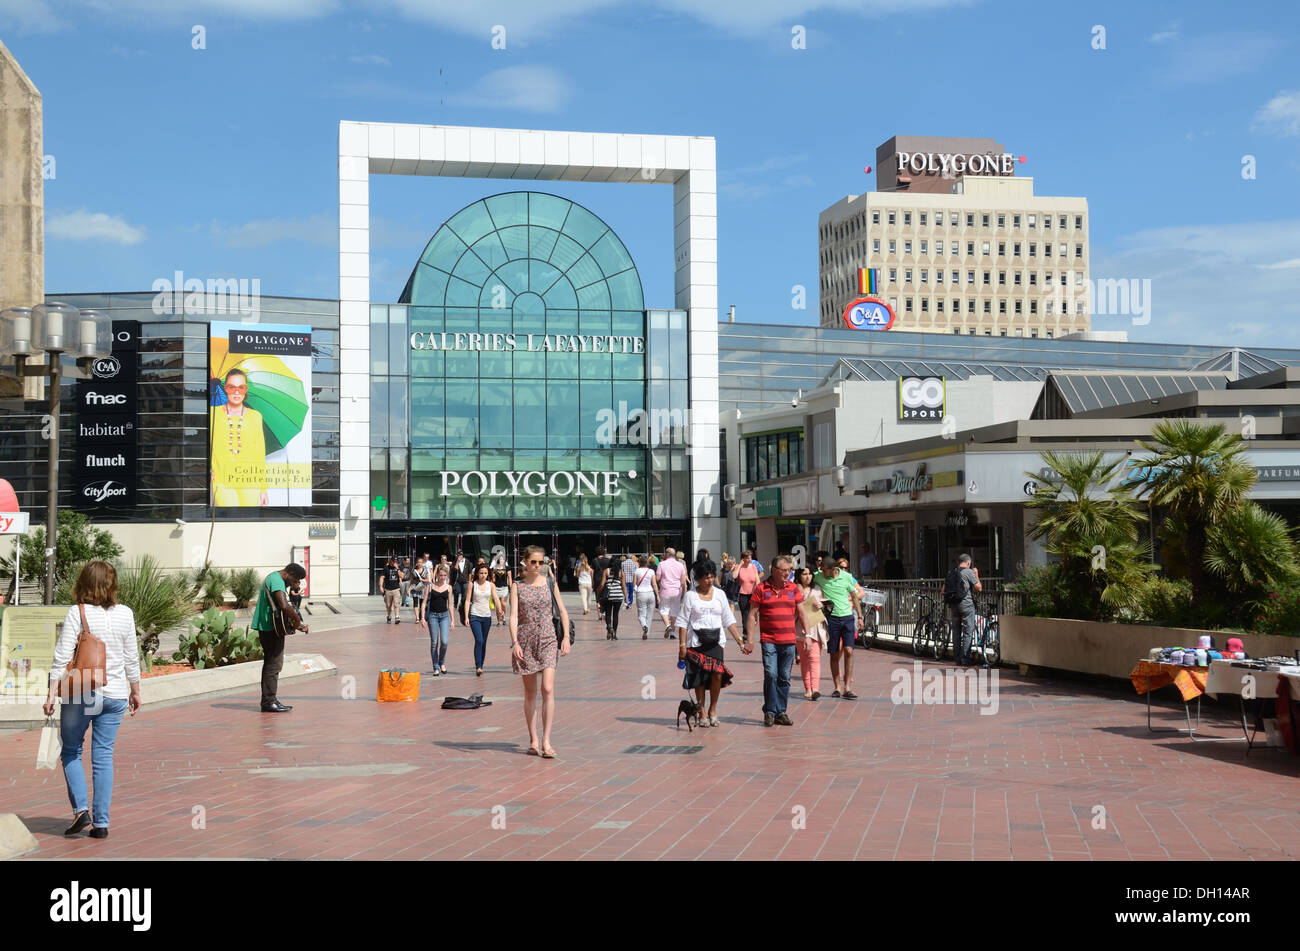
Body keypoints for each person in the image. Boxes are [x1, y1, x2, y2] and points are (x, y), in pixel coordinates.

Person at [43, 561, 141, 839]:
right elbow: (131, 656)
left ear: (83, 583)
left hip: (82, 693)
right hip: (115, 695)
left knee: (72, 750)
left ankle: (81, 810)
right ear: (112, 584)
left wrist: (51, 692)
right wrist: (135, 690)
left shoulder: (78, 612)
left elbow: (62, 655)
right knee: (103, 756)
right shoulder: (125, 613)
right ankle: (101, 823)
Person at [511, 545, 571, 758]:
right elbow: (513, 617)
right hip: (526, 639)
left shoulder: (549, 582)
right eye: (533, 562)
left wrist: (565, 637)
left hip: (547, 637)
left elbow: (562, 610)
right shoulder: (517, 586)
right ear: (525, 562)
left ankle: (546, 740)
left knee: (547, 688)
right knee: (530, 693)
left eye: (541, 562)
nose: (537, 566)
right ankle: (533, 739)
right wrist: (515, 642)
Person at [676, 559, 745, 728]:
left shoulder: (720, 594)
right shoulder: (691, 595)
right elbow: (683, 622)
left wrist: (740, 641)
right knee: (699, 678)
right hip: (696, 643)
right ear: (698, 578)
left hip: (716, 643)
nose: (709, 580)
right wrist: (682, 646)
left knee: (717, 675)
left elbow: (728, 619)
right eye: (706, 577)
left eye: (712, 577)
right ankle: (702, 712)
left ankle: (713, 709)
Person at [746, 555, 803, 727]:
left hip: (789, 640)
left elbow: (802, 611)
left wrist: (807, 636)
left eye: (789, 570)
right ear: (773, 569)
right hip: (769, 639)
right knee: (771, 674)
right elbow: (751, 615)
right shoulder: (761, 588)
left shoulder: (793, 588)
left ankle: (780, 711)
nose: (787, 573)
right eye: (784, 570)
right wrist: (750, 640)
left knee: (784, 677)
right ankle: (770, 711)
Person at [251, 563, 308, 713]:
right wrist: (297, 621)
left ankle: (270, 700)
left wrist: (299, 625)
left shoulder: (275, 578)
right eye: (295, 580)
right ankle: (269, 702)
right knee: (273, 665)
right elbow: (283, 605)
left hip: (270, 628)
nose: (295, 583)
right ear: (288, 573)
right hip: (270, 629)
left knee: (272, 663)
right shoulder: (276, 580)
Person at [210, 368, 268, 507]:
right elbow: (206, 445)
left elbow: (260, 453)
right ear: (225, 389)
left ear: (246, 390)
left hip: (250, 481)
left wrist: (263, 488)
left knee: (247, 523)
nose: (237, 391)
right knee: (230, 519)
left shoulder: (256, 416)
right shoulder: (213, 413)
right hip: (222, 480)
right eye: (231, 387)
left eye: (241, 387)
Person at [813, 551, 861, 700]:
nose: (821, 571)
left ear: (833, 568)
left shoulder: (846, 577)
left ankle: (847, 687)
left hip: (847, 617)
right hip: (832, 619)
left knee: (849, 651)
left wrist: (860, 616)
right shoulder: (818, 576)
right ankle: (837, 687)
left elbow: (854, 596)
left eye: (824, 569)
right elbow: (804, 579)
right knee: (834, 653)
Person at [939, 553, 982, 667]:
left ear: (959, 562)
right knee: (967, 632)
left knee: (956, 632)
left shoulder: (951, 572)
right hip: (967, 605)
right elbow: (979, 588)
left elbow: (943, 591)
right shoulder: (969, 572)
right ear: (968, 562)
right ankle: (965, 659)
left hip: (953, 605)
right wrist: (976, 574)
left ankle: (957, 659)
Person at [795, 566, 828, 701]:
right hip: (799, 627)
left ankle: (815, 689)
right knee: (804, 660)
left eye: (809, 573)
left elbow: (826, 602)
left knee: (814, 658)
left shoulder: (817, 588)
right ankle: (808, 688)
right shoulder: (794, 589)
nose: (808, 576)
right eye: (804, 574)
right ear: (799, 575)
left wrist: (822, 605)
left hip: (816, 627)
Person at [464, 564, 495, 676]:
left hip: (487, 616)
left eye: (485, 573)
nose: (483, 575)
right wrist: (466, 616)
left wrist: (500, 610)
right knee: (479, 640)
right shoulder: (472, 585)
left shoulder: (490, 585)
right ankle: (477, 666)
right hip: (475, 615)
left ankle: (481, 665)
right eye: (481, 573)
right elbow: (467, 600)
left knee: (484, 642)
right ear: (477, 573)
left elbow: (495, 598)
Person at [425, 563, 454, 676]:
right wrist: (422, 617)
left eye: (444, 575)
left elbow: (450, 604)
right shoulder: (431, 586)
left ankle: (442, 662)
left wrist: (452, 620)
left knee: (444, 642)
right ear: (437, 575)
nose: (442, 577)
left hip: (444, 616)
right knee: (434, 642)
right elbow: (424, 603)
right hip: (433, 616)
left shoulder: (449, 587)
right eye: (440, 575)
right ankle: (436, 666)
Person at [656, 546, 688, 640]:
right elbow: (683, 582)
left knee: (663, 610)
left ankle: (667, 626)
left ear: (667, 554)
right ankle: (673, 633)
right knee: (674, 611)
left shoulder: (662, 564)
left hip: (665, 590)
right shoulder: (680, 565)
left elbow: (657, 578)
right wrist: (683, 593)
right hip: (677, 590)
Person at [632, 555, 660, 639]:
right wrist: (657, 595)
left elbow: (634, 584)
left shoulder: (636, 571)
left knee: (641, 614)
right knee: (649, 615)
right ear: (647, 562)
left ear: (639, 562)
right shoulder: (651, 571)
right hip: (650, 593)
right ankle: (646, 633)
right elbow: (654, 584)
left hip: (641, 593)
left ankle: (644, 626)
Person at [731, 550, 762, 624]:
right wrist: (740, 565)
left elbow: (757, 579)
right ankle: (745, 633)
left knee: (752, 613)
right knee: (745, 613)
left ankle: (750, 629)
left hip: (753, 593)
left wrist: (759, 589)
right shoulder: (738, 567)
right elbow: (734, 576)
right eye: (747, 558)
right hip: (742, 594)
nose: (749, 560)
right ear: (743, 559)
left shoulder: (753, 567)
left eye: (750, 558)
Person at [599, 556, 625, 639]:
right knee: (615, 615)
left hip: (609, 595)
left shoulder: (606, 571)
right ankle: (614, 634)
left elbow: (602, 584)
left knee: (608, 613)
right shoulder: (621, 573)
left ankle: (609, 627)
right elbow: (624, 586)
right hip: (618, 595)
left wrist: (599, 592)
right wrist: (627, 599)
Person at [378, 556, 404, 624]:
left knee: (396, 603)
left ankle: (397, 617)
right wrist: (381, 586)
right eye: (393, 561)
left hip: (396, 589)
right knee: (388, 605)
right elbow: (382, 577)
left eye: (396, 561)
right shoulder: (386, 568)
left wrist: (397, 568)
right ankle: (389, 616)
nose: (395, 562)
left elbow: (402, 576)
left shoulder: (399, 568)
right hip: (388, 590)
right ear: (391, 561)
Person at [490, 553, 512, 628]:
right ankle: (499, 621)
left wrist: (511, 587)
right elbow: (493, 579)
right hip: (496, 588)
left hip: (504, 587)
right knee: (498, 606)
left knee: (503, 604)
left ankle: (504, 618)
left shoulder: (507, 568)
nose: (501, 560)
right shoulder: (494, 568)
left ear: (504, 560)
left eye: (502, 559)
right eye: (500, 559)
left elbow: (510, 578)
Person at [410, 556, 430, 625]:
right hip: (415, 587)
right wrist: (407, 589)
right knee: (415, 603)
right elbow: (411, 579)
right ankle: (417, 618)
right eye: (418, 562)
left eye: (421, 562)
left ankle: (422, 617)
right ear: (416, 563)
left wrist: (423, 580)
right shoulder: (413, 570)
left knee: (422, 603)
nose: (420, 563)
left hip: (422, 588)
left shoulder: (425, 570)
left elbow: (428, 579)